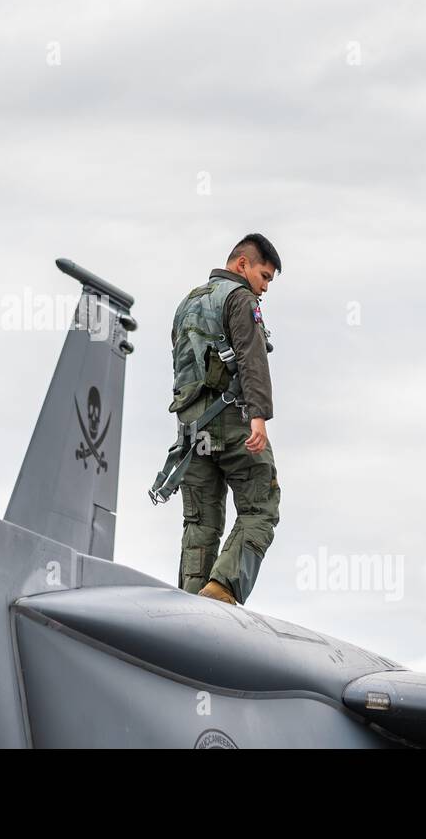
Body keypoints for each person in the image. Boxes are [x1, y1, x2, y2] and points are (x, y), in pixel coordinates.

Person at [152, 233, 280, 605]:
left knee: (199, 522)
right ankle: (224, 586)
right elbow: (251, 357)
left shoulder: (186, 304)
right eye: (265, 276)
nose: (265, 287)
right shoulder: (241, 299)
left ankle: (192, 604)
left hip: (192, 433)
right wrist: (259, 416)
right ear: (243, 265)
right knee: (261, 504)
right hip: (232, 422)